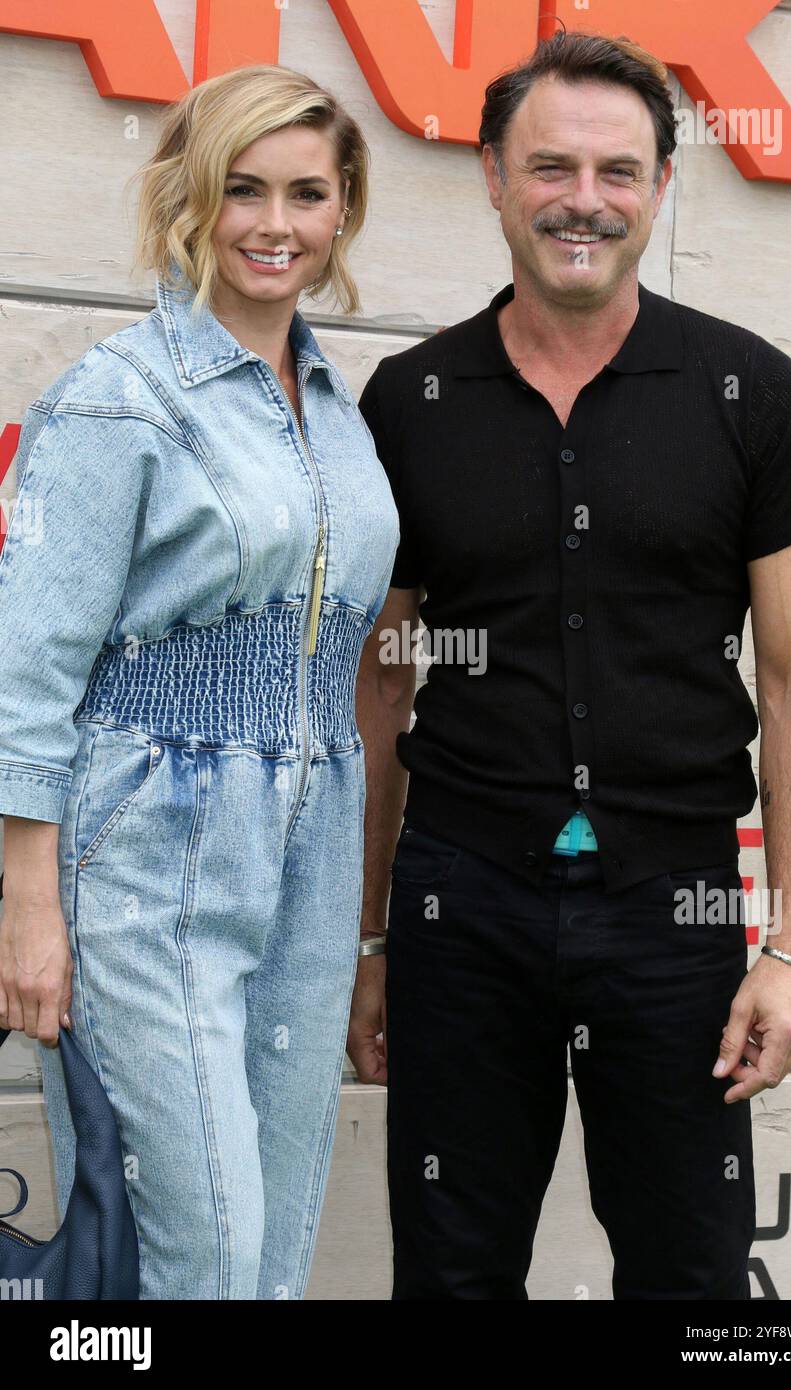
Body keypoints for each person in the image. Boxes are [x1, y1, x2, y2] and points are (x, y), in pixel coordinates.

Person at [349, 31, 791, 1299]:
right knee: (450, 1275)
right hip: (459, 909)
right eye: (552, 166)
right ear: (494, 179)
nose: (585, 198)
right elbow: (380, 682)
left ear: (663, 184)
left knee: (691, 1278)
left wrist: (790, 952)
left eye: (618, 170)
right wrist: (367, 938)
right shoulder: (409, 404)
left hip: (673, 917)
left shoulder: (754, 394)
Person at [0, 63, 399, 1299]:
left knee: (270, 1249)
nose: (272, 224)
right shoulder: (120, 399)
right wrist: (27, 908)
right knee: (201, 1255)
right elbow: (27, 671)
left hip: (311, 845)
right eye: (242, 190)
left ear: (342, 211)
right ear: (192, 196)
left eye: (306, 194)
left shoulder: (339, 412)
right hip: (147, 848)